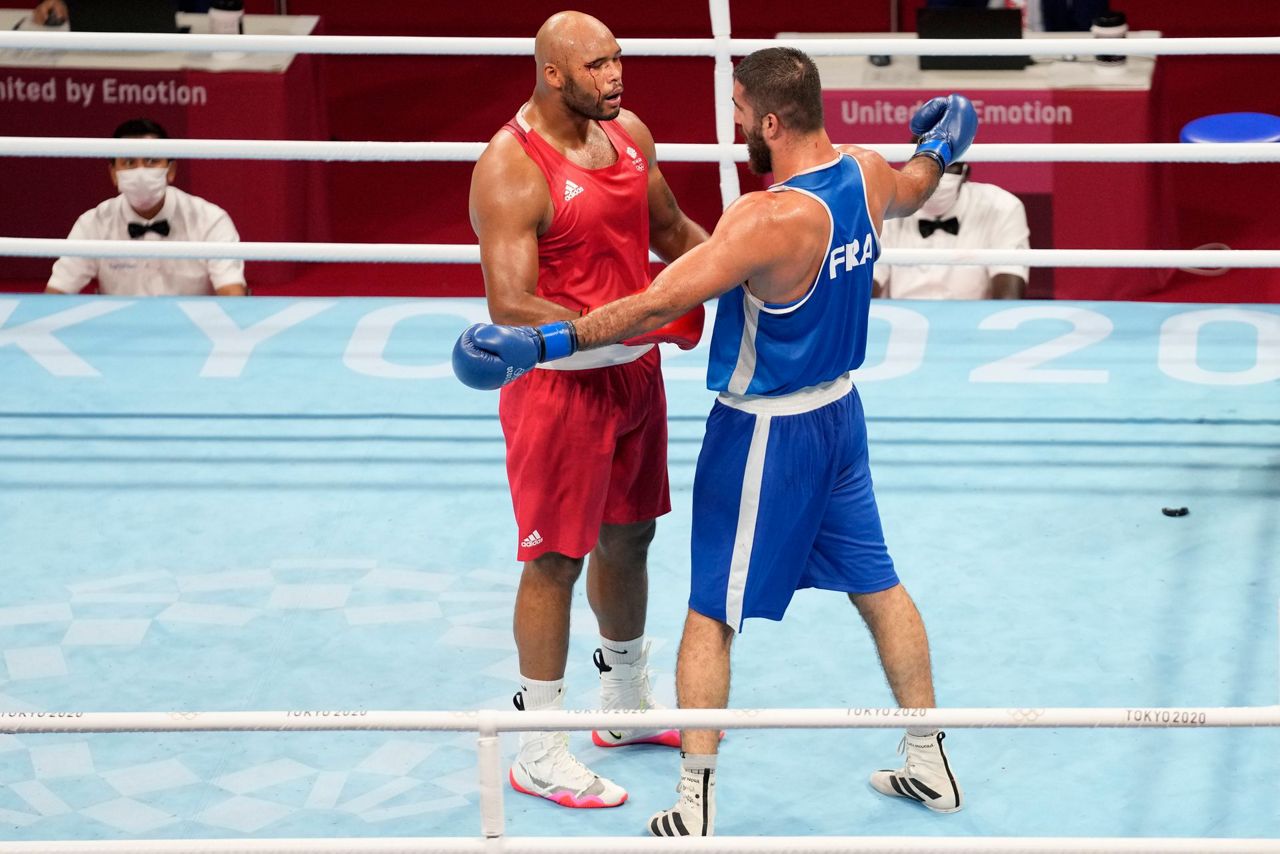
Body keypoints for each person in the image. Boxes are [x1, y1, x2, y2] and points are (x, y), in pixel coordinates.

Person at [453, 47, 976, 835]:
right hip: (841, 416)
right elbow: (915, 185)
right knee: (880, 585)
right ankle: (929, 757)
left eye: (737, 111)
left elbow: (653, 302)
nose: (730, 125)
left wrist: (545, 344)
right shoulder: (868, 172)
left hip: (767, 431)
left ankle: (693, 805)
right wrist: (941, 146)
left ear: (769, 121)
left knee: (709, 613)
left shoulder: (765, 220)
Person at [465, 11, 710, 809]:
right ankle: (539, 747)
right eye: (598, 67)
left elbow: (673, 232)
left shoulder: (629, 133)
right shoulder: (511, 165)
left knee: (630, 537)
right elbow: (509, 302)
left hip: (636, 376)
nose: (616, 78)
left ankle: (625, 707)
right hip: (560, 388)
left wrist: (752, 273)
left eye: (618, 61)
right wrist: (612, 329)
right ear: (553, 74)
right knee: (555, 560)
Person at [46, 118, 248, 297]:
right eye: (129, 162)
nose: (141, 170)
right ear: (114, 174)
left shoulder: (210, 219)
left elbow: (233, 294)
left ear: (171, 170)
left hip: (194, 333)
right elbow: (56, 294)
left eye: (152, 161)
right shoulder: (93, 223)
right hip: (119, 333)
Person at [874, 156, 1029, 300]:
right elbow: (865, 288)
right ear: (906, 170)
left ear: (965, 173)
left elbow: (1008, 298)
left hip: (976, 324)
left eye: (947, 166)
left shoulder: (1001, 206)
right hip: (901, 324)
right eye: (926, 164)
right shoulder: (885, 208)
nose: (937, 175)